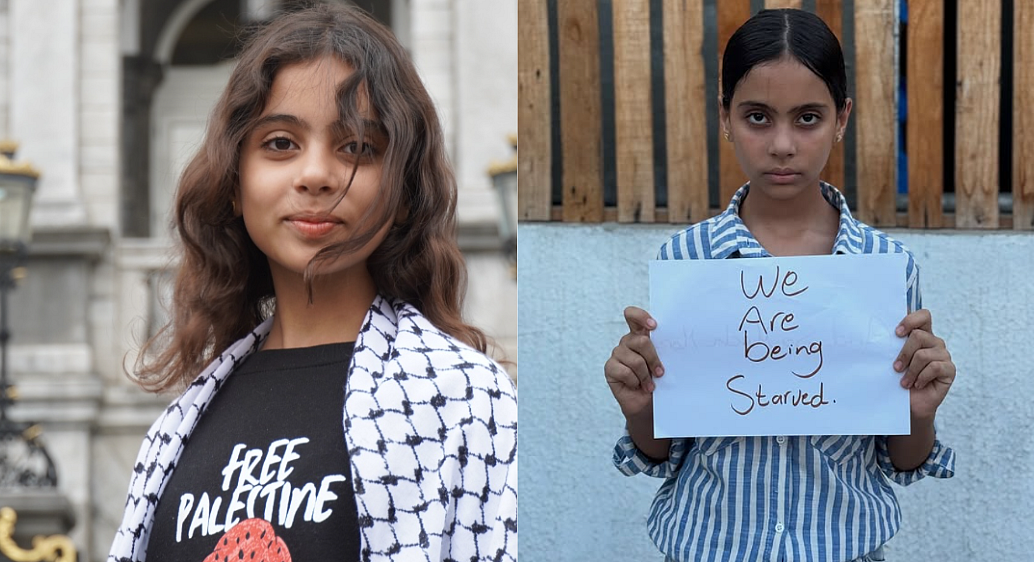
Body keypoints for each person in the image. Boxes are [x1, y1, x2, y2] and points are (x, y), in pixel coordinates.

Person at [107, 5, 516, 562]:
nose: (317, 175)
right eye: (280, 143)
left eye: (358, 148)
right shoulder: (179, 427)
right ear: (234, 181)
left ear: (402, 194)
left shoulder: (466, 401)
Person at [604, 9, 954, 562]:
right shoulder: (688, 260)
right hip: (709, 547)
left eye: (808, 118)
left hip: (843, 549)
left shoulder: (885, 267)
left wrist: (920, 411)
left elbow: (901, 457)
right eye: (758, 117)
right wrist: (640, 406)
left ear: (842, 119)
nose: (783, 144)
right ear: (725, 116)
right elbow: (663, 448)